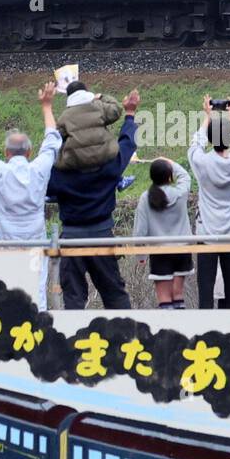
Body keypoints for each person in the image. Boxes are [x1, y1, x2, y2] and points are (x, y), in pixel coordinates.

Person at [0, 84, 61, 307]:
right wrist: (47, 107)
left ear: (6, 153)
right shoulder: (38, 169)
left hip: (6, 235)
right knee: (37, 286)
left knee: (6, 286)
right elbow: (52, 144)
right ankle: (38, 326)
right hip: (35, 233)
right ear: (29, 152)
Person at [47, 89, 140, 310]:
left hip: (71, 239)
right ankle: (126, 338)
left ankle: (76, 342)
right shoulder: (110, 165)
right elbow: (128, 144)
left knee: (74, 299)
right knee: (115, 294)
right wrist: (129, 115)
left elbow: (47, 182)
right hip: (102, 236)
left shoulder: (61, 171)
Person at [188, 96, 230, 308]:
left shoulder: (201, 162)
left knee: (205, 290)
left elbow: (195, 143)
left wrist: (207, 117)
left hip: (207, 234)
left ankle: (205, 333)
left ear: (210, 139)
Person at [132, 157, 193, 309]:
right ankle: (181, 330)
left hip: (159, 253)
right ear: (170, 176)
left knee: (164, 299)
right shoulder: (180, 193)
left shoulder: (146, 198)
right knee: (178, 295)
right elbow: (185, 176)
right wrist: (171, 162)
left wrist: (141, 255)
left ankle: (166, 331)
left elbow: (140, 230)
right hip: (182, 250)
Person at [54, 81, 123, 171]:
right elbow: (116, 109)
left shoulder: (65, 116)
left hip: (77, 161)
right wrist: (101, 97)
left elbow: (56, 137)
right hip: (104, 155)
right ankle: (118, 179)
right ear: (85, 91)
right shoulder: (98, 106)